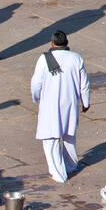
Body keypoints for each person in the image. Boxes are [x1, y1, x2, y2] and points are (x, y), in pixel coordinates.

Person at [29, 30, 90, 184]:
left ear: (52, 43)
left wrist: (36, 96)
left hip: (51, 105)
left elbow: (36, 83)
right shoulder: (77, 58)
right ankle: (70, 166)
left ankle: (58, 175)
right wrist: (86, 102)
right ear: (67, 43)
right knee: (69, 136)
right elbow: (84, 84)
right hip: (70, 104)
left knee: (51, 140)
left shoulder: (44, 59)